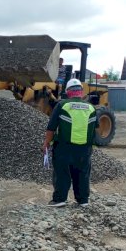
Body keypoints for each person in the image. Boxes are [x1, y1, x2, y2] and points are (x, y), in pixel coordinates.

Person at [42, 79, 96, 207]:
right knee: (82, 173)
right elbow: (95, 128)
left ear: (67, 92)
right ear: (81, 92)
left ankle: (60, 199)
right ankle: (83, 200)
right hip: (84, 149)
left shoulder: (62, 105)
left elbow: (51, 128)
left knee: (62, 172)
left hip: (64, 147)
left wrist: (46, 143)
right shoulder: (91, 108)